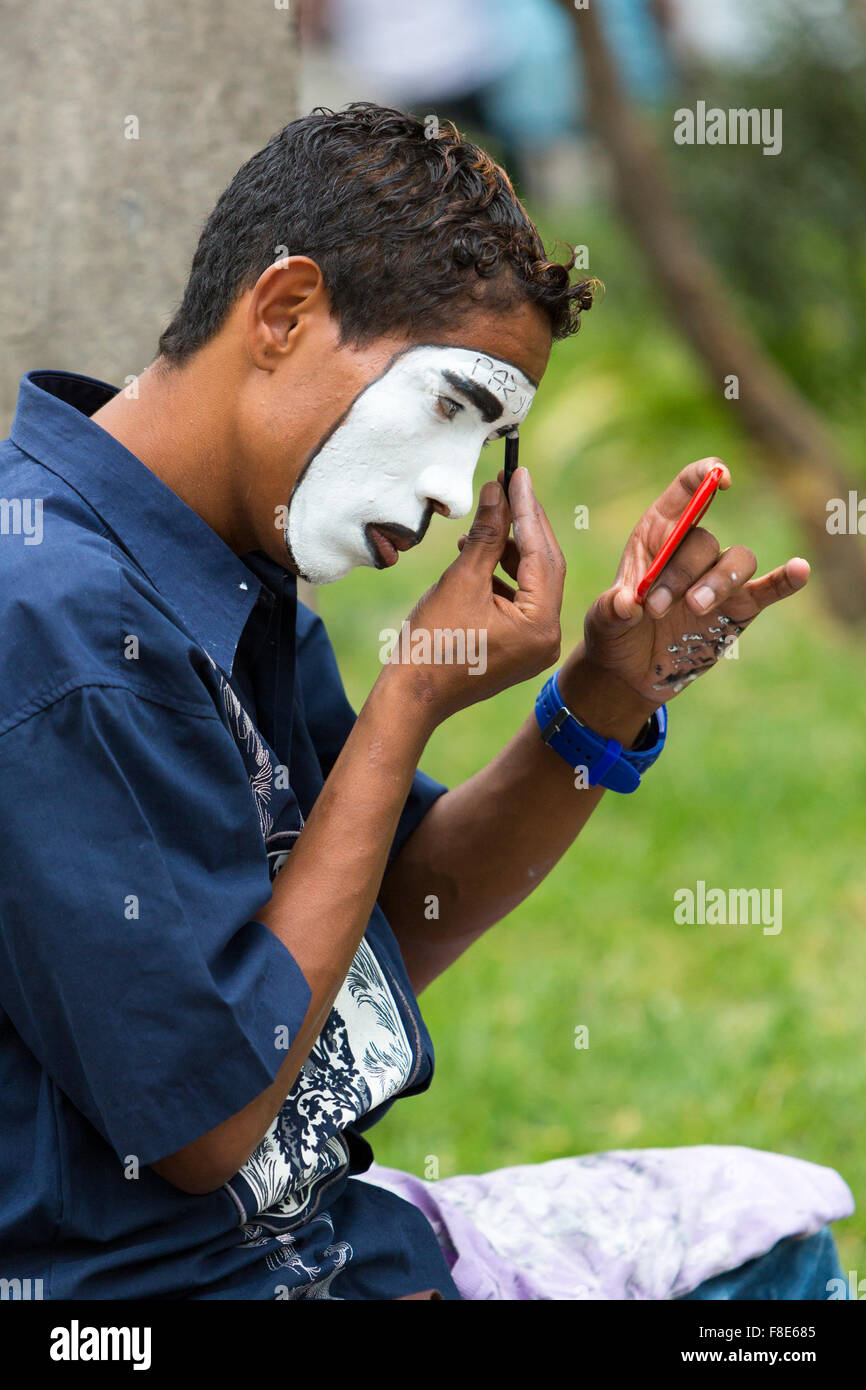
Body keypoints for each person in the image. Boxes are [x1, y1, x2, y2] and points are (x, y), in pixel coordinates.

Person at [0, 103, 851, 1300]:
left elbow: (389, 912)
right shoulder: (49, 624)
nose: (456, 490)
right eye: (452, 405)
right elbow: (205, 1123)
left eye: (492, 438)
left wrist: (602, 692)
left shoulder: (223, 576)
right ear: (284, 311)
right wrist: (406, 699)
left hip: (323, 1248)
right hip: (149, 1300)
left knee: (769, 1242)